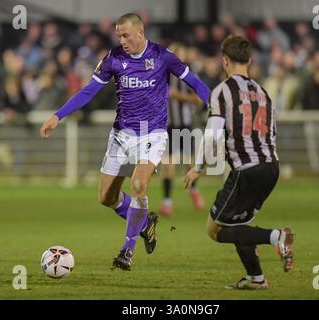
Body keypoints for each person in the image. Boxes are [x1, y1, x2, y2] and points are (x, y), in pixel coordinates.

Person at [40, 13, 210, 270]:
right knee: (106, 198)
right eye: (119, 35)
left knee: (139, 183)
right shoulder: (113, 58)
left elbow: (195, 82)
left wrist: (216, 105)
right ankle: (144, 222)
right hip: (121, 135)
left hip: (151, 133)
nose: (122, 40)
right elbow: (88, 91)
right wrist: (57, 115)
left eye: (126, 35)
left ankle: (127, 251)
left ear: (140, 33)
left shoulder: (162, 56)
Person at [184, 35, 294, 290]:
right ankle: (255, 277)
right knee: (239, 223)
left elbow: (211, 133)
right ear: (250, 60)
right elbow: (270, 133)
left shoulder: (222, 91)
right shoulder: (264, 92)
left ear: (224, 60)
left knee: (215, 229)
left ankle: (277, 237)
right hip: (271, 168)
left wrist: (198, 167)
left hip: (247, 170)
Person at [159, 42, 204, 216]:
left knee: (188, 163)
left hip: (185, 125)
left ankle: (193, 190)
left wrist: (179, 96)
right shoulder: (161, 75)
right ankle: (167, 202)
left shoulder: (189, 74)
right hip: (167, 126)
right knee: (168, 165)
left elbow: (199, 99)